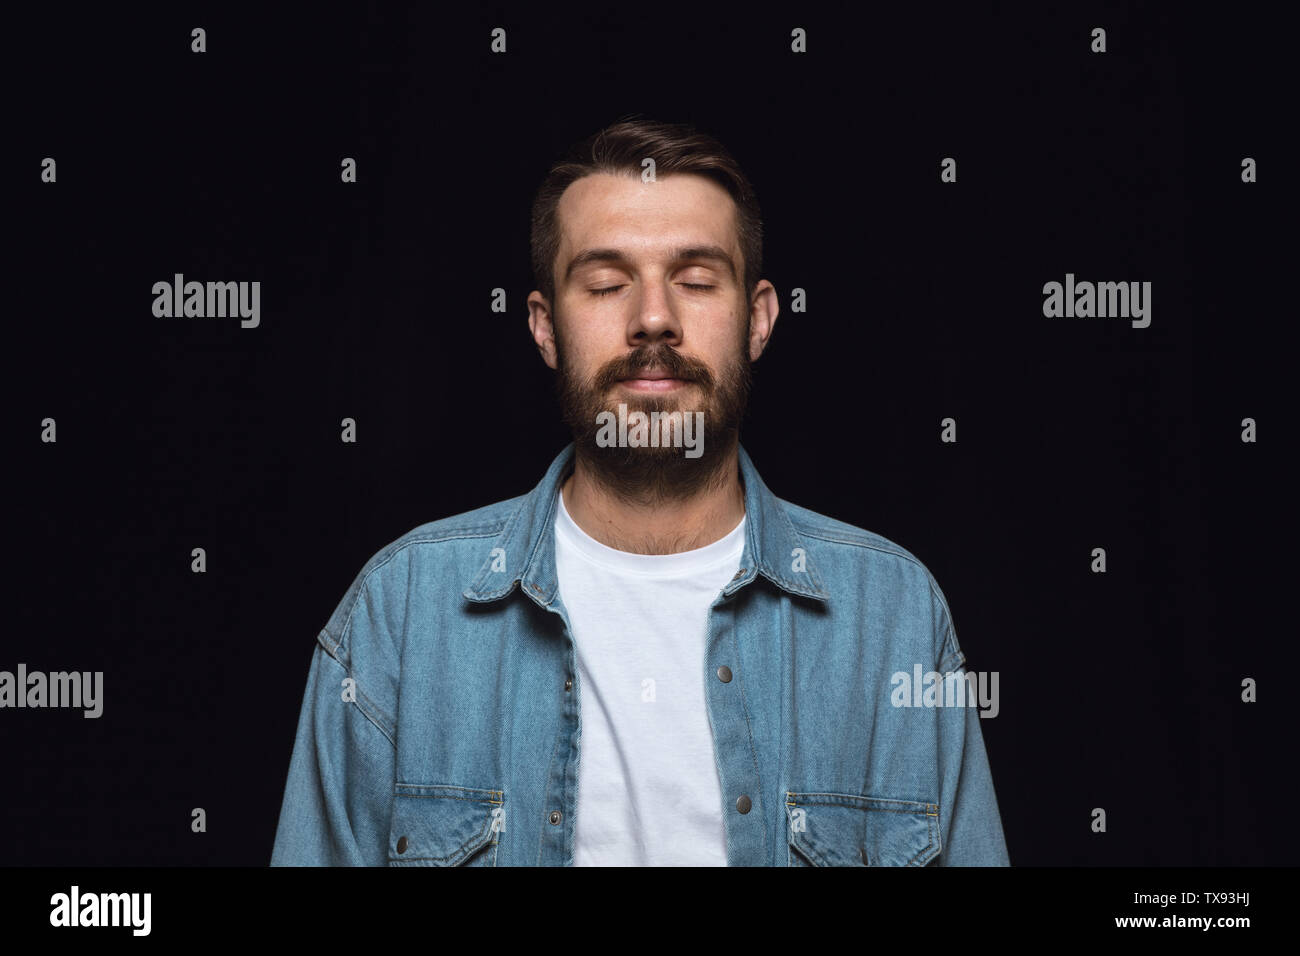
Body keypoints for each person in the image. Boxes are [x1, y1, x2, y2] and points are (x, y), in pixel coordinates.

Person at [270, 117, 1010, 866]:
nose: (653, 318)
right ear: (544, 326)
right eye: (605, 283)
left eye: (694, 281)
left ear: (757, 320)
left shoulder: (893, 618)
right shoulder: (400, 614)